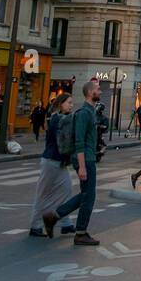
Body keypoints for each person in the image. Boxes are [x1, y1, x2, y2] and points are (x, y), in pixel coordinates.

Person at [43, 77, 102, 246]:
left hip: (89, 158)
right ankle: (80, 232)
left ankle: (54, 216)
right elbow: (79, 142)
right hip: (85, 159)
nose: (100, 91)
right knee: (89, 196)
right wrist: (82, 166)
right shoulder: (84, 113)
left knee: (86, 195)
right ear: (91, 93)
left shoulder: (91, 111)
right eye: (98, 89)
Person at [29, 94, 76, 236]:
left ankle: (65, 223)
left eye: (71, 103)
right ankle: (35, 225)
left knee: (66, 190)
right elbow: (64, 141)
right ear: (61, 104)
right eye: (69, 102)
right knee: (43, 194)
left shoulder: (59, 118)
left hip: (59, 162)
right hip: (51, 161)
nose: (71, 105)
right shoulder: (57, 119)